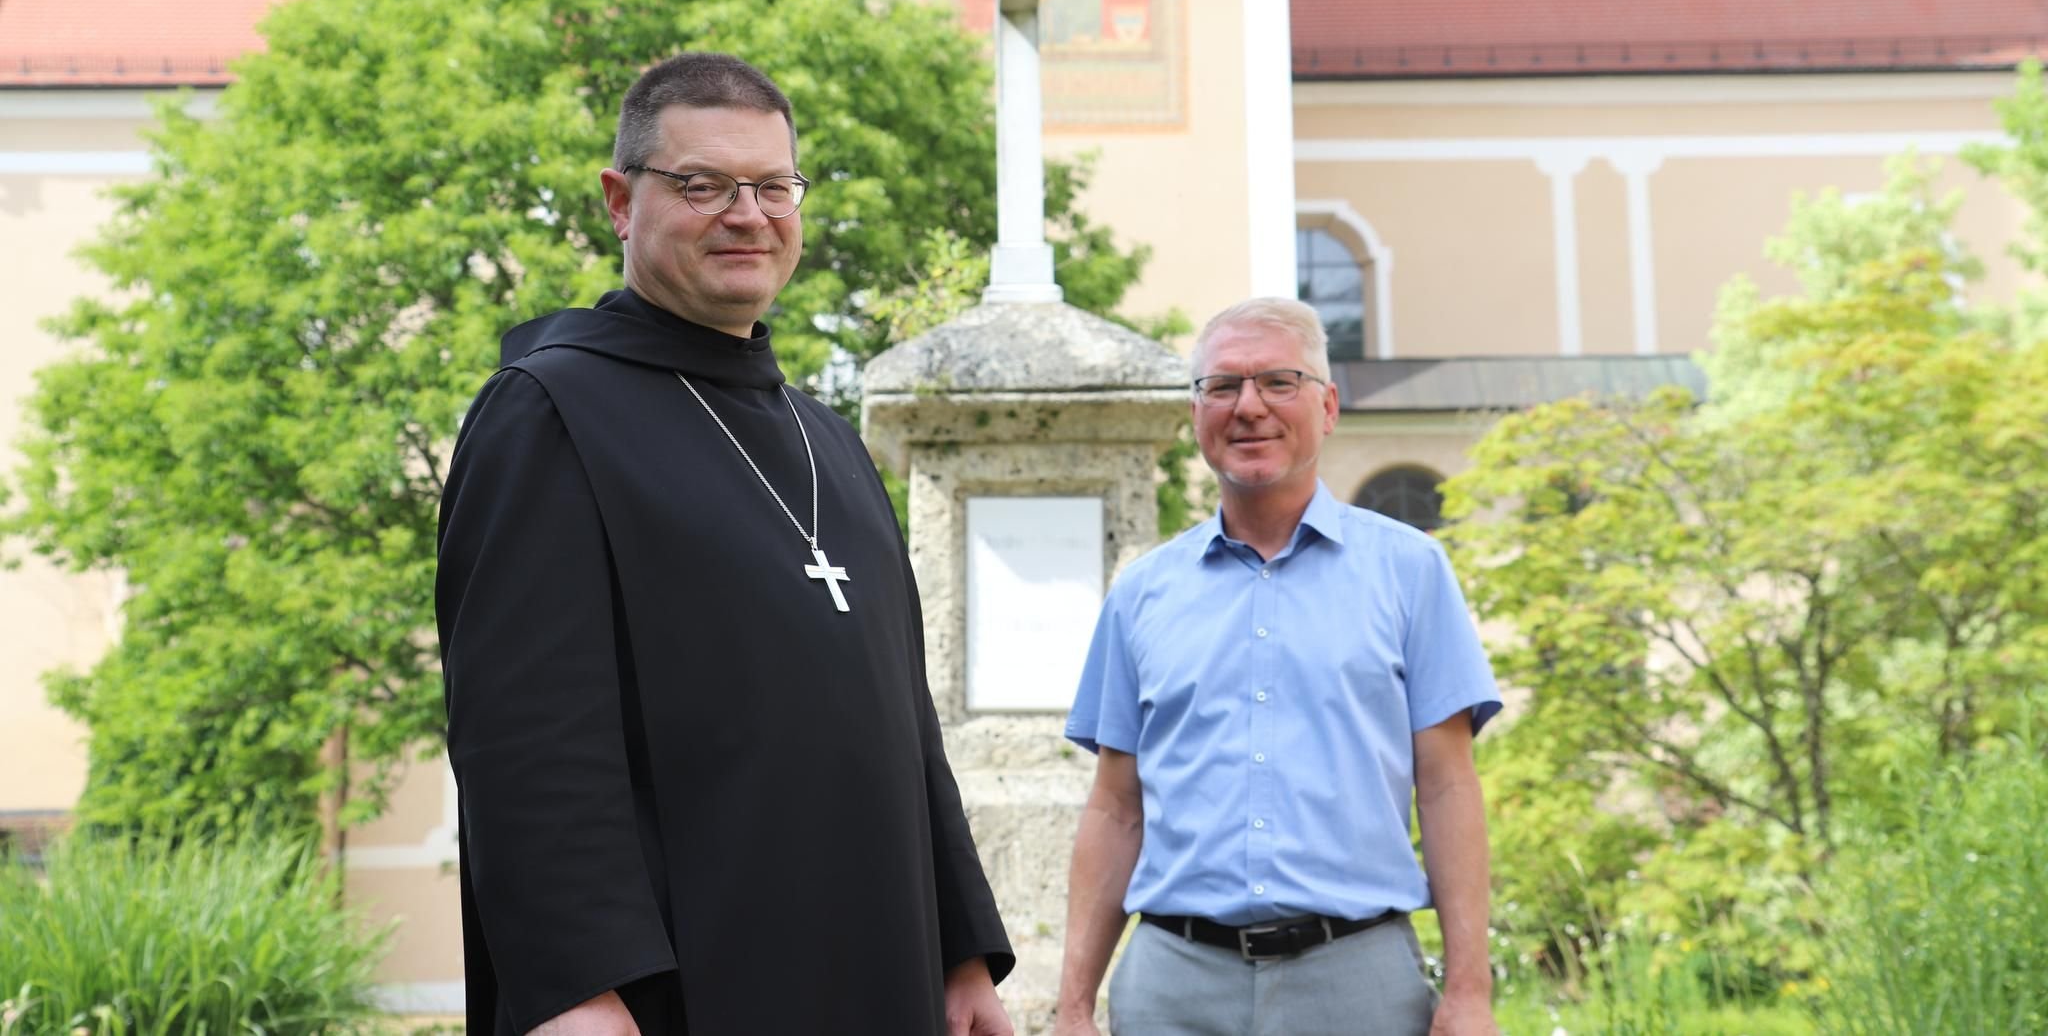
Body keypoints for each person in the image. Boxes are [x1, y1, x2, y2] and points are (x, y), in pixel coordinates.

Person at [436, 52, 1015, 1036]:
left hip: (884, 971)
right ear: (620, 203)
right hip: (685, 983)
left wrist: (962, 955)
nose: (746, 214)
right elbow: (528, 740)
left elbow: (903, 726)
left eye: (773, 185)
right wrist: (576, 991)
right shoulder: (548, 412)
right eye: (700, 184)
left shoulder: (828, 439)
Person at [1054, 298, 1502, 1036]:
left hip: (1359, 983)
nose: (1249, 406)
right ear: (1196, 412)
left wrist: (1469, 989)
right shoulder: (1143, 592)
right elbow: (1114, 806)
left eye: (1278, 382)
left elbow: (1449, 785)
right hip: (1173, 986)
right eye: (1223, 386)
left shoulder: (1411, 571)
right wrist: (1073, 1007)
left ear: (1327, 407)